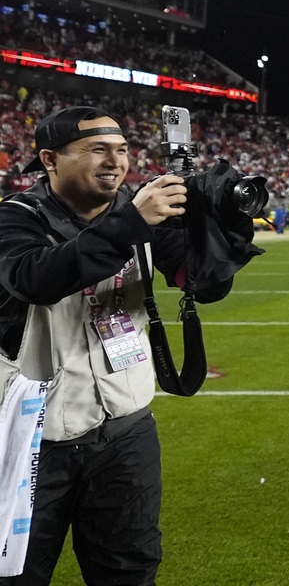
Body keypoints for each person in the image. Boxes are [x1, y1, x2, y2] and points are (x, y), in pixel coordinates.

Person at [0, 106, 232, 585]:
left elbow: (204, 284)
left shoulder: (136, 214)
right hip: (30, 438)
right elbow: (36, 278)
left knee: (129, 571)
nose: (116, 160)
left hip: (125, 433)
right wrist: (131, 223)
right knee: (15, 575)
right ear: (49, 159)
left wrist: (217, 226)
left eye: (123, 149)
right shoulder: (14, 218)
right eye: (97, 149)